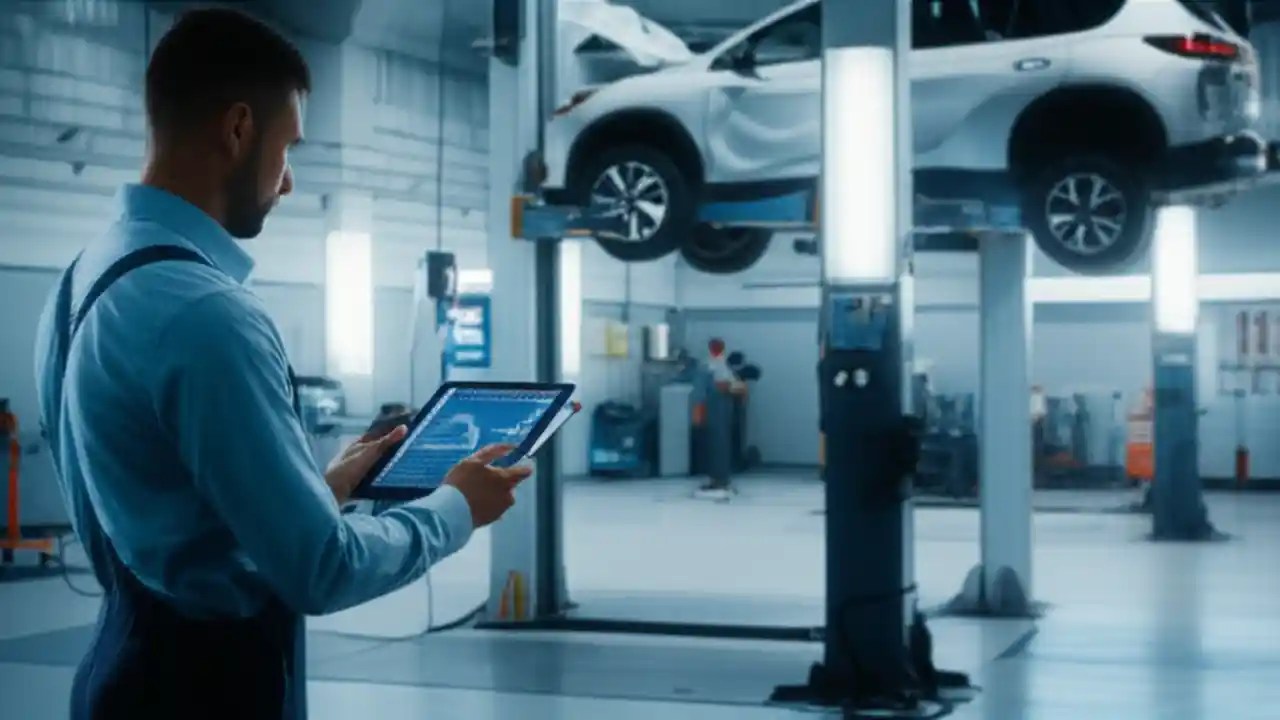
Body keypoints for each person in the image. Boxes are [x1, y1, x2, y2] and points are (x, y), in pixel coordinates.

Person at [32, 9, 530, 720]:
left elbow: (169, 515)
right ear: (238, 129)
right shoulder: (209, 313)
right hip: (206, 691)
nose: (288, 180)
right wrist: (457, 508)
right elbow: (321, 571)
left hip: (120, 669)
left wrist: (321, 489)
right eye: (288, 147)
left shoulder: (80, 281)